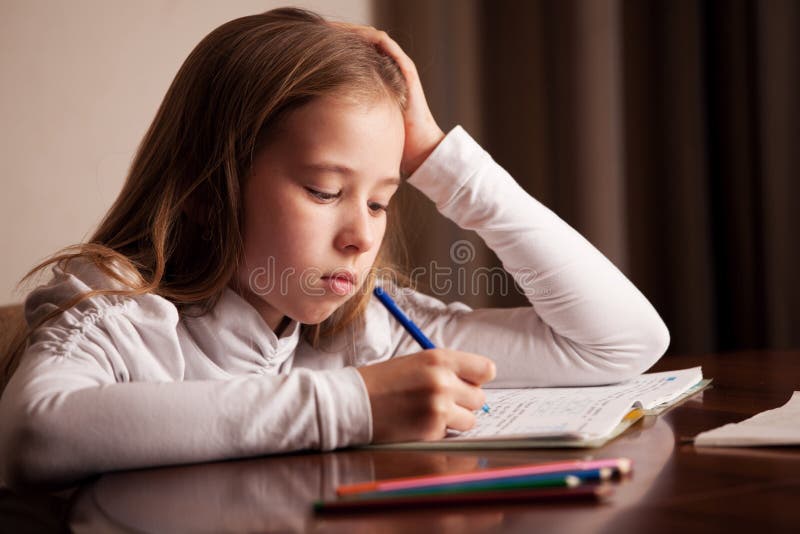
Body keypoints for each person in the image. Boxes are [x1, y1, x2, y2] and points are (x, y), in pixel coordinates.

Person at [0, 7, 669, 490]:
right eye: (324, 191)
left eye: (379, 201)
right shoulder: (116, 307)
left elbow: (620, 344)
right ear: (206, 191)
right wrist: (350, 406)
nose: (362, 236)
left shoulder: (365, 329)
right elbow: (35, 435)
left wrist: (441, 160)